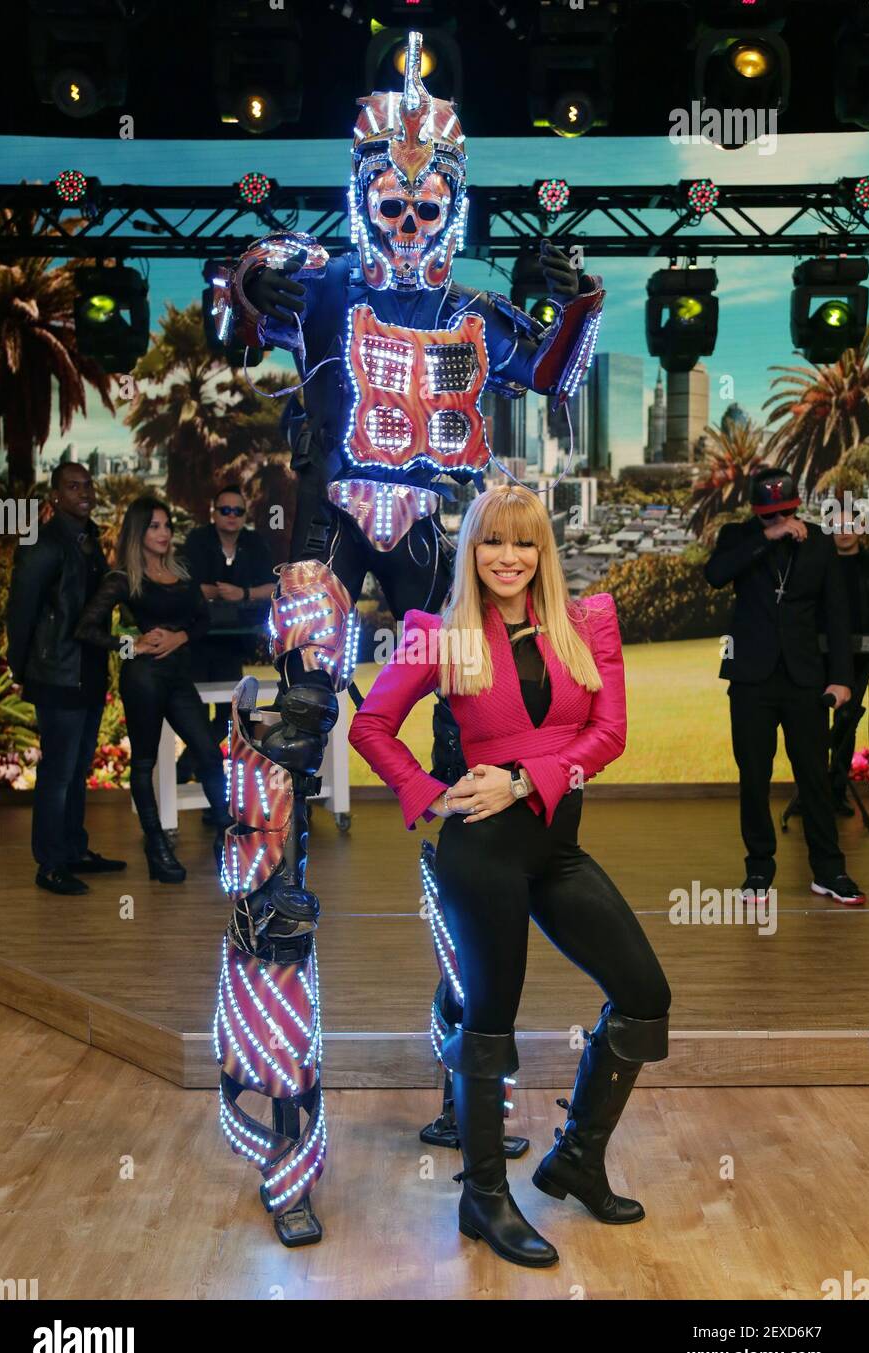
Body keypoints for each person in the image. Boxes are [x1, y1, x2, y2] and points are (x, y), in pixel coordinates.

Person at [209, 29, 606, 1244]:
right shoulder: (321, 280)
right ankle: (285, 1139)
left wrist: (577, 290)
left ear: (456, 199)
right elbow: (234, 329)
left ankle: (465, 1081)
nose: (410, 209)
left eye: (429, 194)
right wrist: (241, 283)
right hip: (331, 540)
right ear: (359, 192)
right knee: (273, 776)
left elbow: (557, 372)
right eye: (391, 192)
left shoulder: (478, 308)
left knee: (478, 795)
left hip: (444, 550)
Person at [349, 485, 671, 1269]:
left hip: (556, 847)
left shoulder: (585, 623)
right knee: (490, 1019)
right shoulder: (441, 636)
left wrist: (525, 781)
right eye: (492, 541)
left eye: (523, 543)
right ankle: (483, 1197)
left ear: (542, 552)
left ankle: (575, 1158)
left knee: (644, 997)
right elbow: (370, 725)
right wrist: (429, 793)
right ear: (472, 549)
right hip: (482, 854)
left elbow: (609, 733)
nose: (507, 557)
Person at [705, 467, 864, 906]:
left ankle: (829, 871)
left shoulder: (818, 542)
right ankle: (758, 871)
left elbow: (837, 614)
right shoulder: (739, 536)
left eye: (785, 512)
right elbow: (715, 575)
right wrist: (766, 539)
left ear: (796, 505)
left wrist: (842, 678)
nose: (780, 519)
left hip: (805, 680)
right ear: (757, 511)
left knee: (814, 777)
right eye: (770, 514)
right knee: (754, 778)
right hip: (750, 679)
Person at [75, 496, 232, 884]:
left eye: (166, 526)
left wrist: (179, 637)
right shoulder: (122, 579)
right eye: (154, 527)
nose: (163, 533)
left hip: (179, 678)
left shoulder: (180, 573)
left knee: (209, 755)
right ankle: (156, 843)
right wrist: (134, 645)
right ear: (138, 532)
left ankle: (229, 837)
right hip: (142, 677)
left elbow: (203, 619)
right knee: (144, 762)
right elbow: (87, 630)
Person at [6, 461, 126, 896]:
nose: (85, 492)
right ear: (55, 496)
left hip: (88, 674)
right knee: (57, 774)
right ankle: (49, 864)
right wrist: (21, 666)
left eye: (88, 485)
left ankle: (74, 850)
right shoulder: (42, 541)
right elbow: (19, 612)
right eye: (73, 486)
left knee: (76, 772)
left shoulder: (90, 539)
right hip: (56, 674)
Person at [177, 484, 275, 791]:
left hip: (234, 642)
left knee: (228, 714)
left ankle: (187, 768)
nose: (231, 516)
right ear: (213, 512)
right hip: (198, 639)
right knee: (193, 711)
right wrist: (202, 591)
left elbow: (274, 586)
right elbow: (179, 581)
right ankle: (201, 773)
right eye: (225, 510)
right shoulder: (197, 540)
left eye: (238, 511)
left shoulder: (254, 542)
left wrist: (242, 594)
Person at [828, 514, 869, 814]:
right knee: (812, 724)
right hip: (821, 655)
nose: (844, 533)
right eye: (837, 527)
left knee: (846, 719)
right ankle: (811, 791)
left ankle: (836, 791)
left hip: (862, 656)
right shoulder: (821, 566)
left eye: (850, 526)